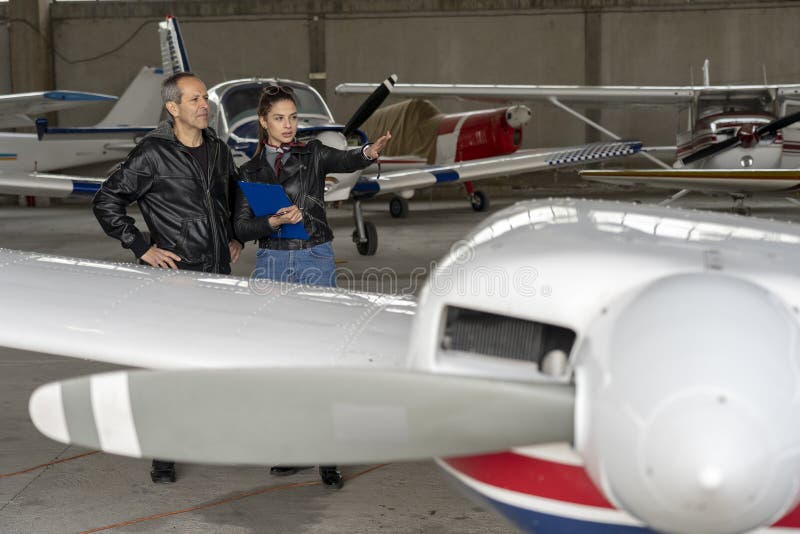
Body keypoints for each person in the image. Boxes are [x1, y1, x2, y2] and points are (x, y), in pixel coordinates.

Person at [233, 85, 390, 489]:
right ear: (264, 123)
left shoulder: (314, 154)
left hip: (314, 258)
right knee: (280, 359)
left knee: (323, 354)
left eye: (293, 118)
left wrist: (368, 154)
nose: (289, 126)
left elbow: (346, 156)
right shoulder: (249, 173)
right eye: (280, 118)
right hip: (271, 261)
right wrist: (271, 223)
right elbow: (240, 226)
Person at [92, 71, 243, 484]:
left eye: (205, 98)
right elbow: (106, 201)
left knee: (212, 361)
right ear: (173, 107)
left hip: (218, 274)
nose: (203, 105)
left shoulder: (218, 150)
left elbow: (230, 198)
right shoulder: (152, 154)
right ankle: (164, 452)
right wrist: (141, 247)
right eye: (194, 99)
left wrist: (234, 236)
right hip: (177, 277)